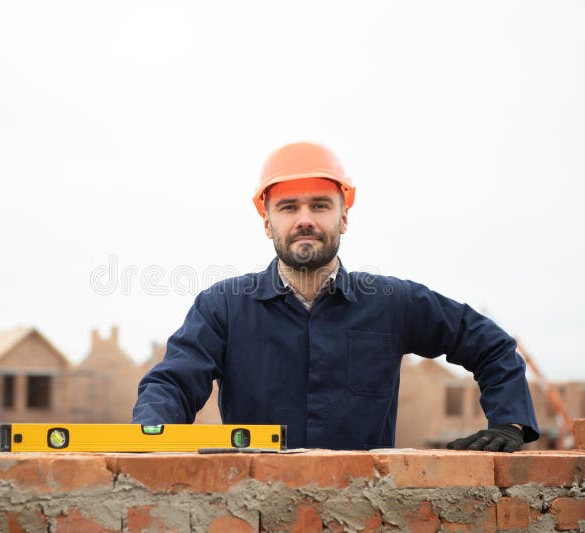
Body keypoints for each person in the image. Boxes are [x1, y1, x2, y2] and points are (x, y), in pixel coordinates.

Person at [132, 142, 539, 452]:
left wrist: (510, 423)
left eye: (320, 205)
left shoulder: (391, 303)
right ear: (267, 223)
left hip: (365, 515)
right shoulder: (223, 307)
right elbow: (173, 384)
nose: (305, 219)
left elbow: (490, 345)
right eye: (288, 208)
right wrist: (145, 441)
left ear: (343, 217)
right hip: (255, 512)